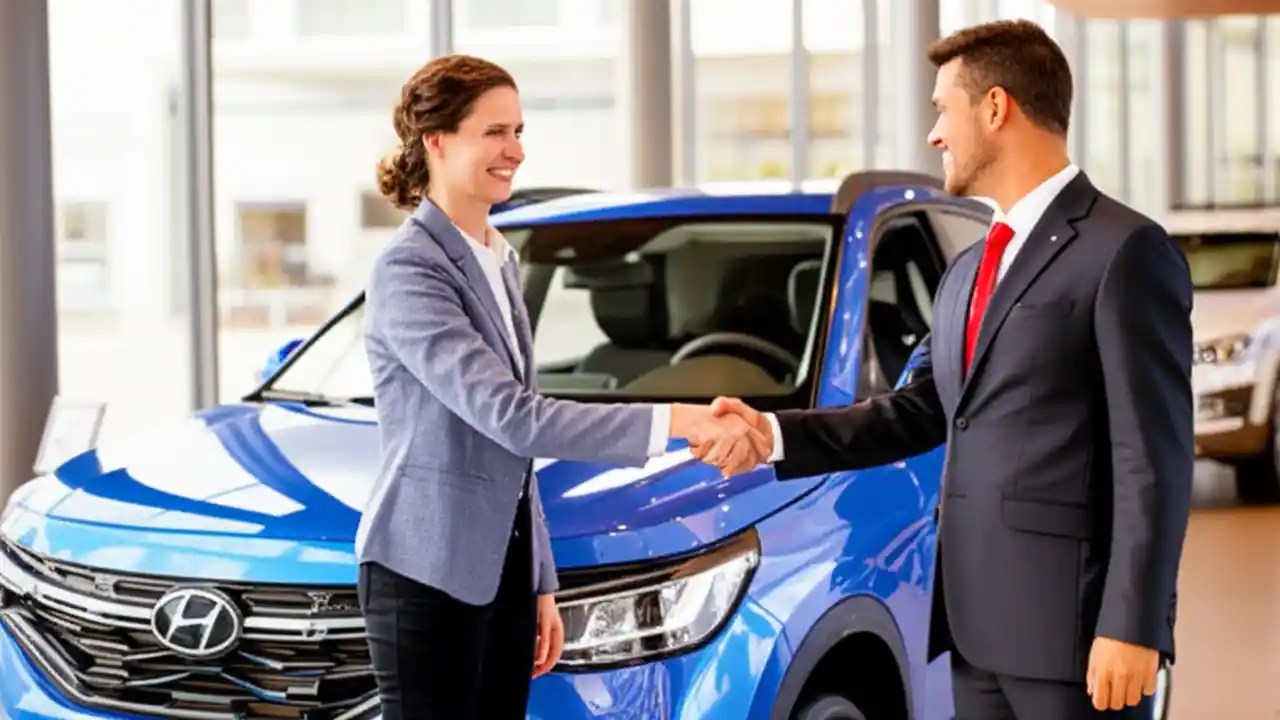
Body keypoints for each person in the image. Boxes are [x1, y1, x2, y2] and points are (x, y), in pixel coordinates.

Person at [695, 19, 1193, 720]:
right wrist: (772, 434)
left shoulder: (1125, 251)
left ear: (995, 108)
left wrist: (1134, 624)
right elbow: (920, 408)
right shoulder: (968, 269)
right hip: (972, 630)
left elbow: (1154, 457)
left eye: (942, 110)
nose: (934, 135)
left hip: (1075, 635)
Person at [357, 54, 765, 720]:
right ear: (437, 141)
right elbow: (514, 418)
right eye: (495, 132)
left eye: (518, 131)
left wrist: (539, 581)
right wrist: (681, 420)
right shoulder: (410, 269)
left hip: (503, 574)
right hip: (427, 572)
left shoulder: (498, 257)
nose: (515, 151)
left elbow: (514, 463)